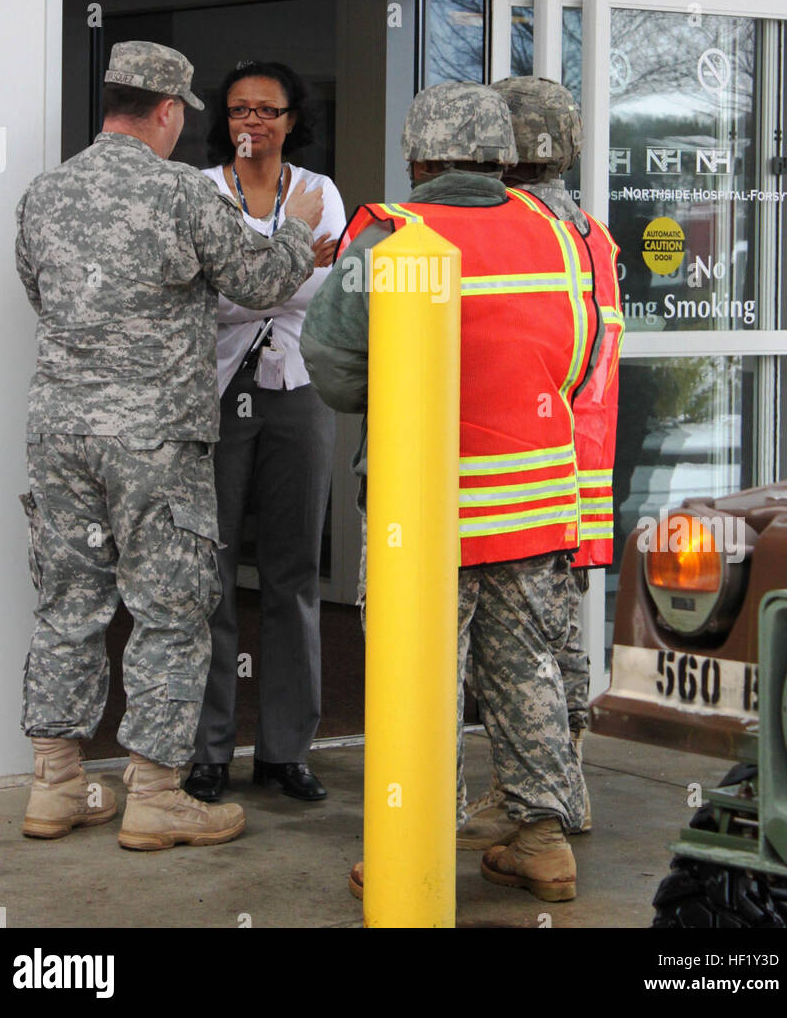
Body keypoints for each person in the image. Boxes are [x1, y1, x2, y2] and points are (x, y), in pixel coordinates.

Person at [15, 40, 322, 850]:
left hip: (60, 433)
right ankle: (153, 795)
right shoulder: (182, 193)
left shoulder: (46, 193)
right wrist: (295, 231)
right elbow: (258, 283)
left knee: (68, 607)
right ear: (165, 111)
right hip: (156, 440)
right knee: (170, 613)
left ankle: (55, 786)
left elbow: (38, 290)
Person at [300, 80, 600, 902]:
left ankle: (412, 846)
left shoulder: (397, 234)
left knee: (418, 666)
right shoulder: (559, 233)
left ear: (419, 155)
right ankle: (543, 843)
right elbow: (583, 355)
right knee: (529, 667)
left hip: (423, 507)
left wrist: (403, 395)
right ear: (502, 155)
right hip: (537, 498)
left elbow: (329, 364)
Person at [456, 76, 624, 853]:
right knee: (557, 636)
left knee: (514, 646)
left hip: (522, 461)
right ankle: (567, 792)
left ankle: (523, 797)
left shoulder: (516, 228)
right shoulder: (592, 234)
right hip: (577, 460)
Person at [184, 60, 345, 805]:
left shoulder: (320, 192)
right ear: (224, 120)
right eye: (240, 110)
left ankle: (284, 751)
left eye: (268, 111)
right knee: (210, 575)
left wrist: (257, 278)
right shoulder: (197, 190)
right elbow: (205, 296)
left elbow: (325, 288)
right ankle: (209, 749)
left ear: (290, 120)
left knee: (291, 574)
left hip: (298, 390)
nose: (253, 122)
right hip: (212, 394)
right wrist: (283, 268)